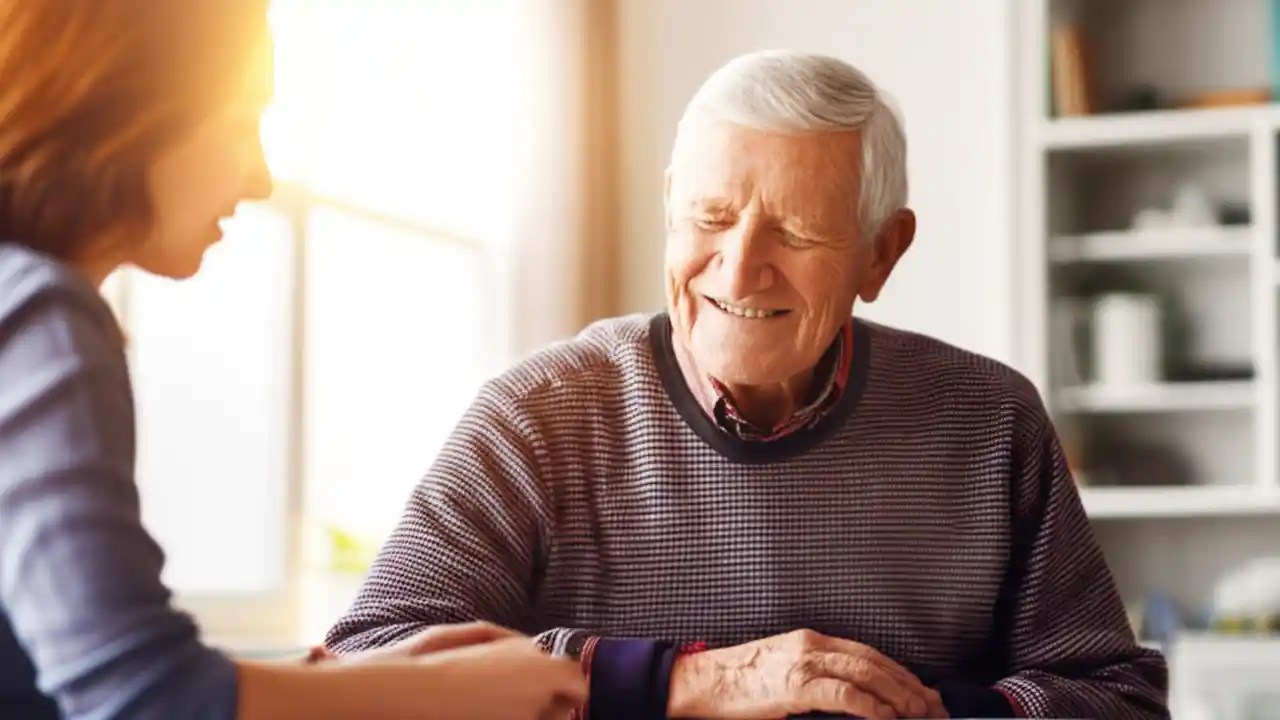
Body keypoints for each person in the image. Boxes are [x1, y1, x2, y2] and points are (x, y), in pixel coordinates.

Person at [325, 50, 1171, 719]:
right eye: (711, 216)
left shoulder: (991, 421)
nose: (740, 269)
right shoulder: (536, 416)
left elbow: (1117, 697)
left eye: (797, 231)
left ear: (882, 251)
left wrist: (924, 712)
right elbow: (368, 668)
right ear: (669, 208)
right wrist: (689, 685)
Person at [0, 3, 585, 719]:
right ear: (130, 99)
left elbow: (53, 668)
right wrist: (448, 691)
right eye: (242, 120)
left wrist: (354, 679)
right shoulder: (41, 316)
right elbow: (139, 695)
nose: (261, 178)